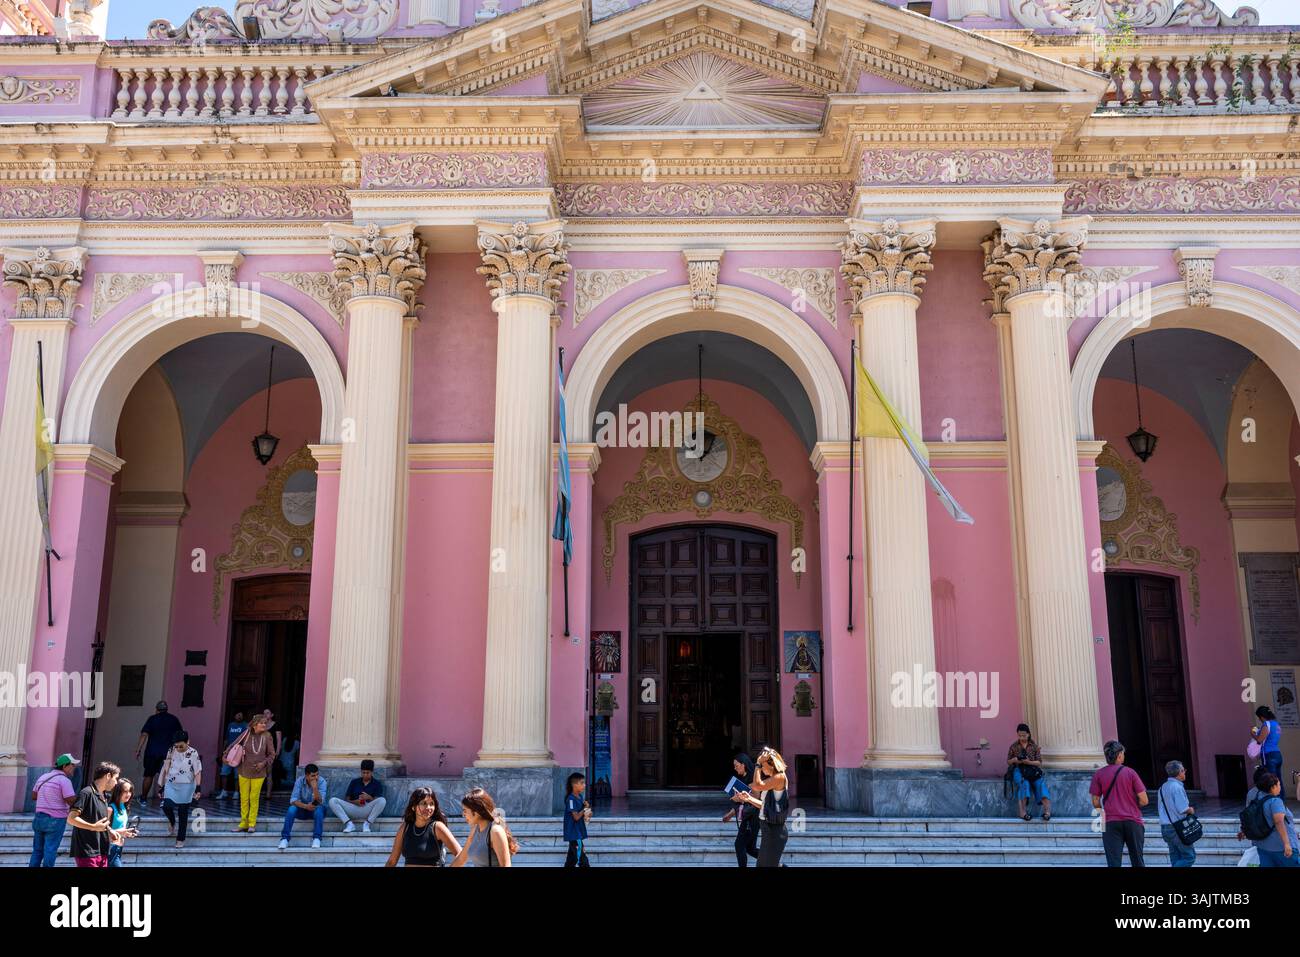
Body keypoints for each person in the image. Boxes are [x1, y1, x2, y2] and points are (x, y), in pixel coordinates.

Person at [1089, 740, 1149, 867]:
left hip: (1110, 822)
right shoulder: (1130, 772)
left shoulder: (1098, 774)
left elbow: (1095, 802)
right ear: (1120, 755)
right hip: (1133, 821)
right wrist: (1131, 805)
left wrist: (1104, 811)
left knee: (1113, 862)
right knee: (1138, 861)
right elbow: (1144, 800)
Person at [736, 746, 789, 867]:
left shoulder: (779, 777)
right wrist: (748, 798)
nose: (761, 768)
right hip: (768, 829)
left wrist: (757, 764)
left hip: (775, 830)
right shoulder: (773, 780)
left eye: (763, 765)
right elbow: (765, 806)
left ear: (771, 764)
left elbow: (756, 786)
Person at [385, 788, 461, 867]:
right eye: (423, 803)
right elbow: (391, 861)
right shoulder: (405, 827)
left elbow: (460, 854)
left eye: (431, 804)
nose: (428, 807)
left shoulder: (438, 827)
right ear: (413, 807)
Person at [29, 753, 79, 868]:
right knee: (50, 850)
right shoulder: (64, 780)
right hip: (55, 820)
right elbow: (70, 800)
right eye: (72, 765)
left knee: (37, 851)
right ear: (64, 766)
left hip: (39, 818)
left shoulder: (43, 777)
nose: (74, 768)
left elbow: (34, 796)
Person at [67, 762, 121, 868]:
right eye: (116, 778)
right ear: (108, 776)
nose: (116, 783)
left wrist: (110, 830)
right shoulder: (86, 793)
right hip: (87, 851)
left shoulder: (104, 795)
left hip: (102, 850)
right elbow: (71, 818)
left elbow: (99, 820)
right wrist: (93, 827)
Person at [1240, 770, 1298, 867]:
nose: (1280, 787)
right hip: (1280, 847)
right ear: (1273, 787)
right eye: (1279, 784)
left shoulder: (1256, 799)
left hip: (1263, 846)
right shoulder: (1275, 801)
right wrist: (1287, 844)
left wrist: (1243, 831)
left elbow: (1249, 817)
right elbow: (1279, 821)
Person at [452, 787, 517, 867]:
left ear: (476, 812)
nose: (463, 814)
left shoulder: (495, 831)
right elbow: (462, 858)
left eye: (465, 811)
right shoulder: (475, 829)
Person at [158, 729, 202, 849]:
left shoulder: (193, 753)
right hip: (171, 784)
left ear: (188, 741)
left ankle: (180, 839)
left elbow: (197, 771)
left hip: (187, 786)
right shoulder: (171, 750)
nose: (178, 748)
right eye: (176, 746)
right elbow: (166, 768)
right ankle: (172, 821)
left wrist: (198, 788)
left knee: (183, 813)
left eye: (181, 746)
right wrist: (162, 786)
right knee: (166, 806)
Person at [234, 712, 276, 833]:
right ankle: (243, 823)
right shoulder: (246, 734)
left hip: (259, 772)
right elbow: (235, 744)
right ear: (254, 725)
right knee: (244, 798)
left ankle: (252, 823)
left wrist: (263, 764)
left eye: (265, 723)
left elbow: (272, 754)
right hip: (243, 770)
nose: (264, 725)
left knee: (254, 798)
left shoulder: (267, 736)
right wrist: (225, 755)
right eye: (261, 723)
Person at [134, 700, 181, 808]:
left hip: (152, 752)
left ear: (156, 709)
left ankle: (143, 799)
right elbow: (180, 736)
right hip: (167, 753)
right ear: (166, 709)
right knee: (165, 776)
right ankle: (164, 800)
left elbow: (144, 734)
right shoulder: (174, 719)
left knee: (148, 775)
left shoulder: (152, 719)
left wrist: (138, 749)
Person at [328, 759, 387, 833]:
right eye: (363, 772)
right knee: (332, 801)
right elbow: (347, 799)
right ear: (361, 771)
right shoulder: (354, 782)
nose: (365, 775)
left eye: (367, 773)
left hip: (368, 810)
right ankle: (349, 824)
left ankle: (367, 824)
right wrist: (355, 802)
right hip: (354, 809)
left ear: (372, 772)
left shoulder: (376, 784)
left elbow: (377, 802)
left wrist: (369, 797)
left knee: (382, 800)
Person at [1007, 723, 1052, 822]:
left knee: (1041, 785)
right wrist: (1015, 759)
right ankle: (1023, 813)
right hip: (1019, 770)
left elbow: (1039, 762)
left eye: (1024, 735)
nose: (1021, 737)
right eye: (1019, 735)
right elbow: (1008, 762)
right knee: (1024, 784)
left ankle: (1047, 812)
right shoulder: (1014, 746)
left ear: (1028, 734)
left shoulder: (1034, 746)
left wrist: (1029, 762)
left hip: (1032, 770)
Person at [722, 752, 760, 867]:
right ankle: (777, 864)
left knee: (739, 845)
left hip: (752, 818)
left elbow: (756, 798)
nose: (735, 768)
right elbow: (743, 803)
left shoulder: (753, 778)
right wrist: (730, 814)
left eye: (737, 765)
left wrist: (739, 798)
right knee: (750, 849)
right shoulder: (743, 779)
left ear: (744, 765)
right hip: (748, 816)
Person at [1156, 760, 1196, 867]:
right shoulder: (1177, 787)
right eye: (1183, 770)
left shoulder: (1162, 787)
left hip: (1166, 827)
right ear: (1179, 772)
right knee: (1189, 857)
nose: (1184, 772)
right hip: (1177, 827)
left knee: (1175, 857)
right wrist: (1191, 810)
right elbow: (1182, 808)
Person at [278, 763, 327, 849]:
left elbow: (320, 801)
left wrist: (315, 788)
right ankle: (284, 839)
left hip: (316, 809)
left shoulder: (322, 781)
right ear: (307, 776)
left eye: (317, 774)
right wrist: (305, 806)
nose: (316, 777)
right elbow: (293, 800)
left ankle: (317, 838)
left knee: (319, 810)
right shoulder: (299, 781)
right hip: (303, 809)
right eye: (313, 775)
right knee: (291, 809)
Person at [562, 771, 593, 867]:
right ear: (574, 785)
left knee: (571, 859)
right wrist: (584, 809)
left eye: (584, 783)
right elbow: (575, 817)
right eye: (582, 783)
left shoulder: (579, 797)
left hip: (577, 831)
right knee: (582, 859)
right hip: (574, 833)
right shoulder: (571, 799)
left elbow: (582, 813)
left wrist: (587, 811)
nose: (584, 785)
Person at [106, 778, 139, 868]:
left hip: (119, 848)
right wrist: (121, 832)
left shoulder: (124, 808)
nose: (128, 794)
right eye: (125, 791)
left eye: (130, 791)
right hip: (110, 848)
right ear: (118, 792)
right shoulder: (110, 809)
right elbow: (103, 830)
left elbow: (120, 829)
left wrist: (127, 833)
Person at [214, 710, 246, 800]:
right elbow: (226, 739)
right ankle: (224, 791)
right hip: (228, 752)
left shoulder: (245, 726)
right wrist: (224, 751)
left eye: (241, 715)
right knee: (224, 772)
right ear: (234, 716)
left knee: (237, 774)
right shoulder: (230, 725)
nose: (239, 716)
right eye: (238, 714)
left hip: (239, 752)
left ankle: (236, 792)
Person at [1253, 706, 1283, 784]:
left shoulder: (1266, 724)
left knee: (1271, 781)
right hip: (1277, 754)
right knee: (1278, 781)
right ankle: (1281, 796)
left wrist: (1253, 734)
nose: (1259, 719)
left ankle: (1272, 796)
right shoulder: (1276, 724)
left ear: (1262, 716)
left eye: (1259, 717)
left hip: (1269, 755)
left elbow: (1260, 740)